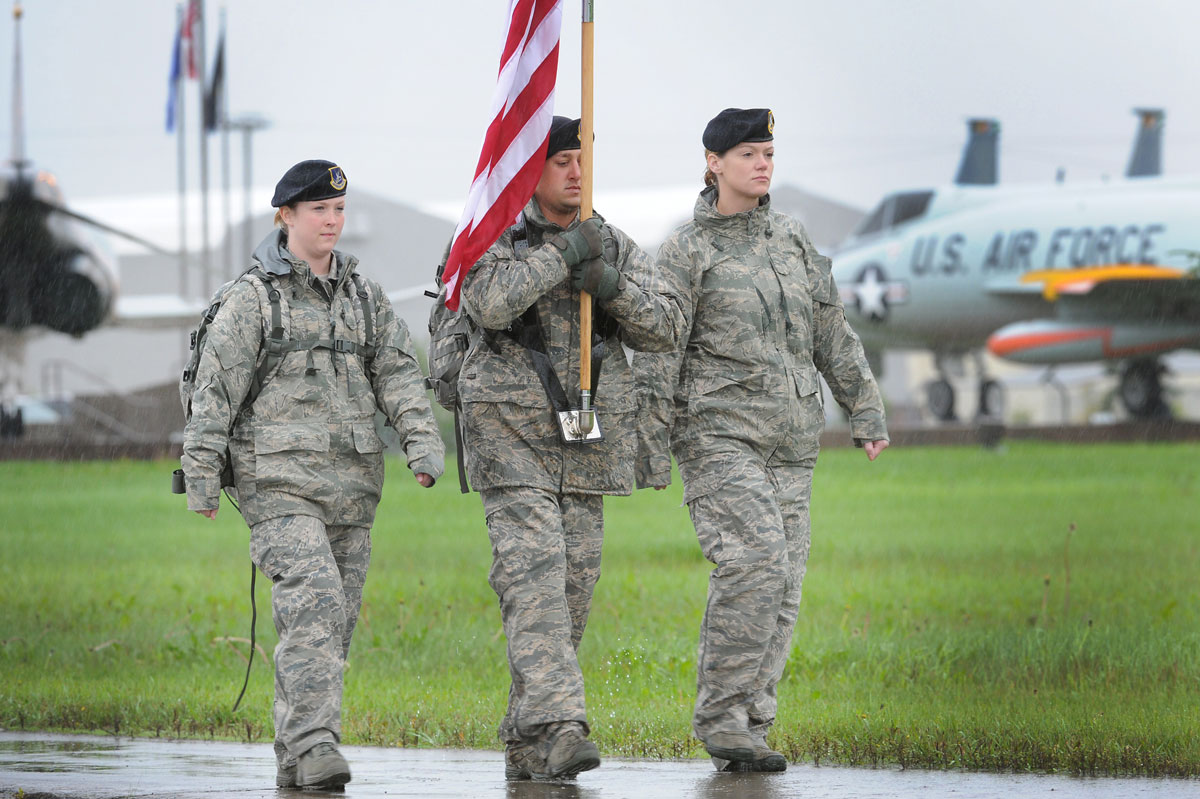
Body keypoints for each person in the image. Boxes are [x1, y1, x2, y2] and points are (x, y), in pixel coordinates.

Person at [635, 108, 889, 773]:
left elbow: (831, 332)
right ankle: (721, 715)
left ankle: (752, 721)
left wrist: (865, 409)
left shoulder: (795, 241)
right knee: (753, 561)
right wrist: (649, 441)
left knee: (784, 584)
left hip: (792, 439)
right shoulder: (687, 249)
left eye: (769, 152)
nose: (762, 164)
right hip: (719, 435)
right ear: (714, 162)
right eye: (748, 153)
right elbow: (661, 351)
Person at [181, 160, 444, 789]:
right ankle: (315, 741)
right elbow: (214, 391)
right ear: (287, 216)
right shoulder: (253, 299)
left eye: (339, 211)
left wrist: (421, 441)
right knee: (315, 603)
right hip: (278, 487)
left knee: (333, 623)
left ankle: (296, 755)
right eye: (318, 210)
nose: (331, 221)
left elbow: (399, 373)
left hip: (353, 489)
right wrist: (201, 473)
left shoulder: (363, 295)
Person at [457, 116, 686, 780]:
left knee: (570, 590)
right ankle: (562, 723)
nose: (576, 171)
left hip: (585, 447)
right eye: (561, 159)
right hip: (510, 438)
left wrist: (610, 284)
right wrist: (561, 256)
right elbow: (490, 301)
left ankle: (526, 737)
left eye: (582, 158)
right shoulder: (491, 235)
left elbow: (668, 323)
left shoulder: (610, 240)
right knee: (535, 578)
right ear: (531, 167)